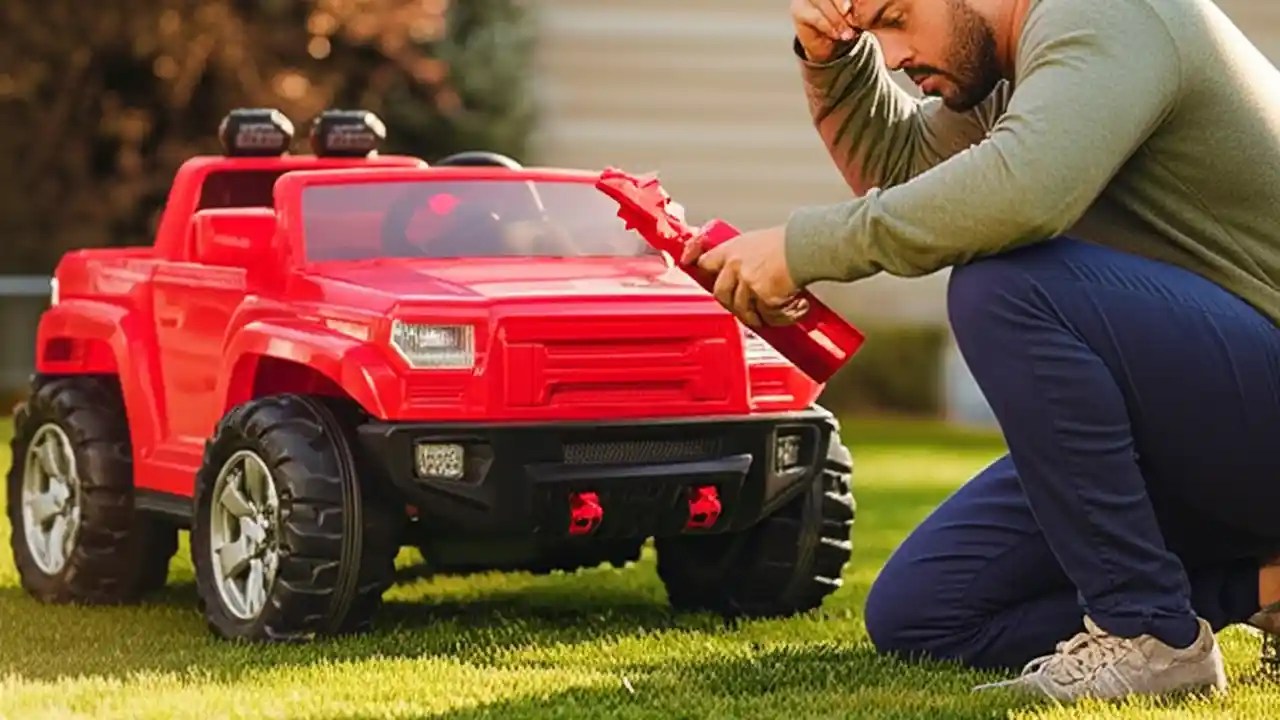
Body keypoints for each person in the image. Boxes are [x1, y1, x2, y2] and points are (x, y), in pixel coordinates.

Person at [681, 0, 1280, 703]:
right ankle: (1264, 586)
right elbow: (905, 178)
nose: (894, 55)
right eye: (875, 31)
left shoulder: (1109, 15)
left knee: (1004, 286)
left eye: (896, 17)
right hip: (1205, 426)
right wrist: (834, 60)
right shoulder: (1013, 71)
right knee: (926, 610)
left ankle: (1147, 635)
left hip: (1253, 409)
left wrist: (800, 249)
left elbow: (1022, 193)